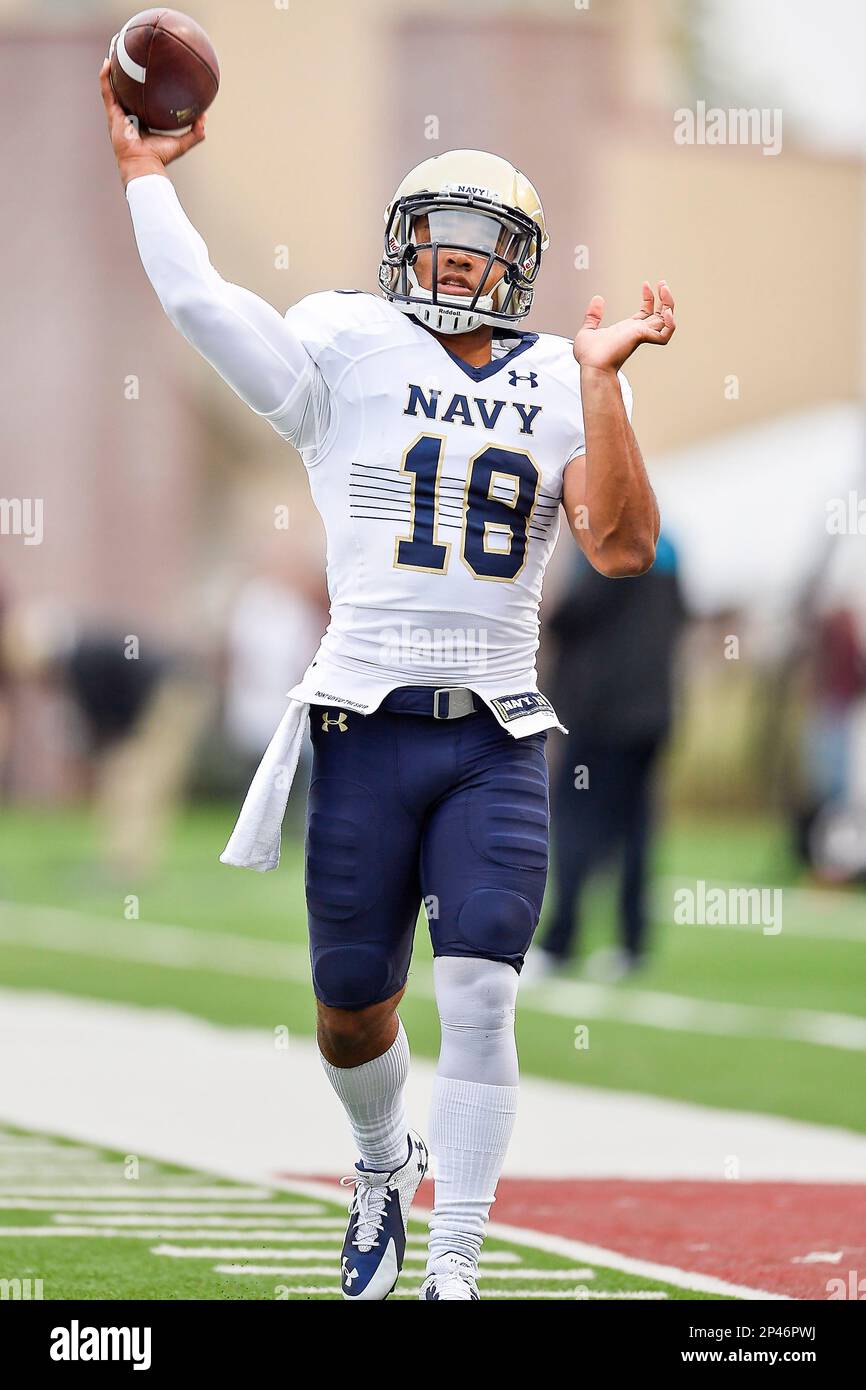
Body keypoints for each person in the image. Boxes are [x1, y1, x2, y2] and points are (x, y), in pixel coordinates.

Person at [100, 63, 676, 1300]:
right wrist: (146, 173)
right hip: (362, 724)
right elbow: (202, 304)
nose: (457, 262)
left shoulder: (560, 378)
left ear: (513, 259)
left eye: (481, 245)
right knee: (352, 1011)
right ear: (402, 243)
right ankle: (378, 1165)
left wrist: (600, 380)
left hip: (495, 733)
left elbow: (622, 545)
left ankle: (455, 1263)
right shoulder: (341, 342)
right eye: (438, 238)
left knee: (477, 990)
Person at [524, 532, 685, 984]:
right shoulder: (668, 547)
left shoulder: (605, 544)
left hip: (603, 714)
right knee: (635, 826)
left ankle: (561, 942)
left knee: (576, 823)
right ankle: (632, 943)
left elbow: (570, 617)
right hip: (653, 712)